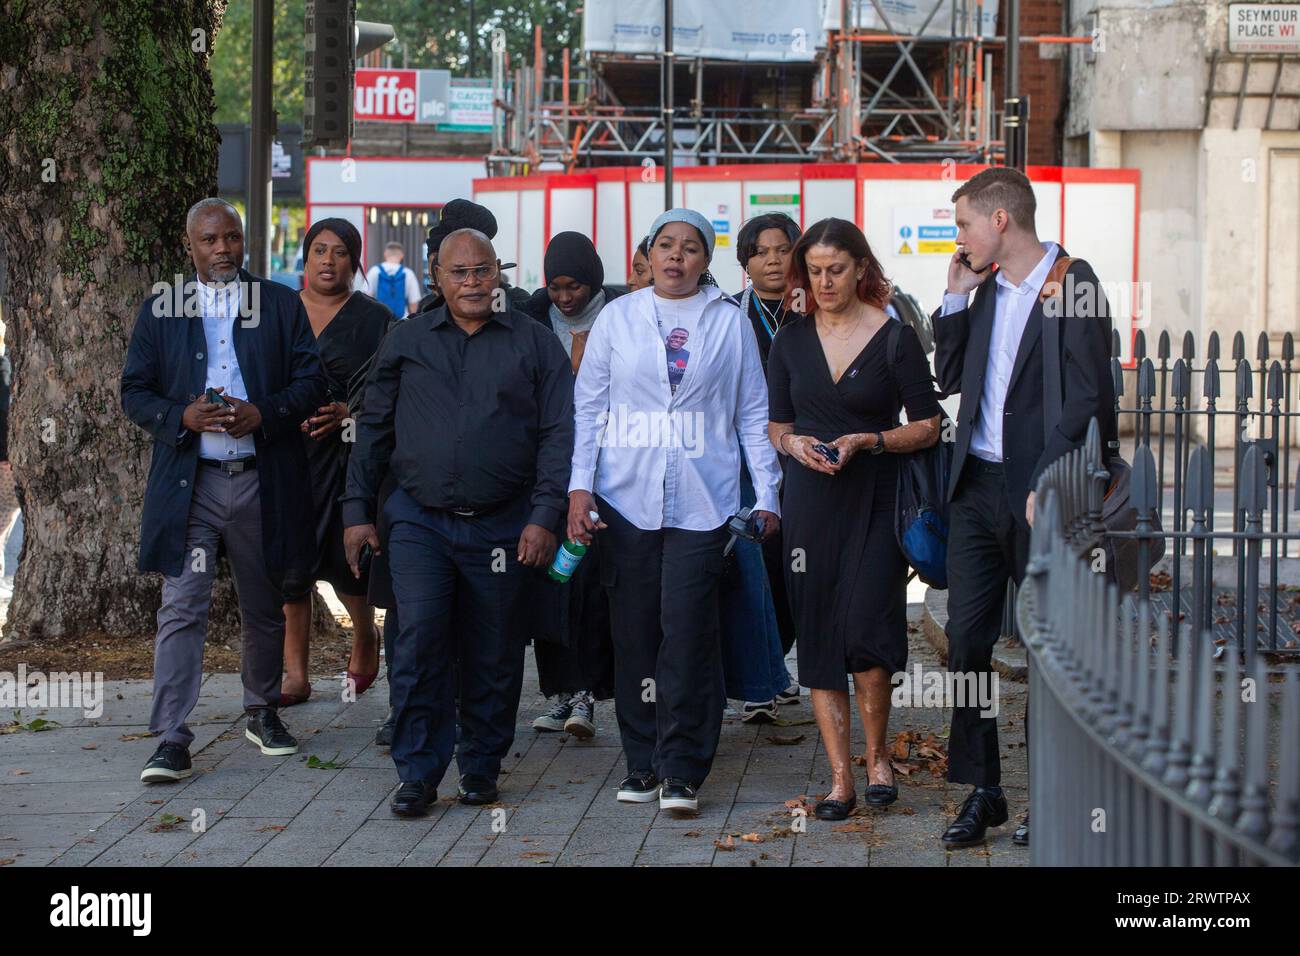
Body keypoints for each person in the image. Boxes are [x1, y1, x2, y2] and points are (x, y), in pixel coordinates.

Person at [342, 228, 574, 818]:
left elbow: (557, 437)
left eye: (481, 271)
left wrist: (546, 516)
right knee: (418, 640)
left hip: (505, 523)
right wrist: (356, 512)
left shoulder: (536, 343)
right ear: (438, 277)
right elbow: (372, 430)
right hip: (419, 523)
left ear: (498, 272)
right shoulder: (407, 339)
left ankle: (480, 765)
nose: (471, 283)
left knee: (494, 649)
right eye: (458, 272)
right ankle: (417, 772)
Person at [567, 208, 782, 813]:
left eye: (691, 248)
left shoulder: (728, 323)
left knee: (688, 631)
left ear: (706, 261)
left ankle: (683, 767)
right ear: (648, 252)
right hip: (625, 496)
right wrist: (579, 488)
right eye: (666, 245)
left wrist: (767, 493)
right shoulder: (618, 318)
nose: (677, 256)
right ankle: (642, 761)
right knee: (635, 632)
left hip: (703, 500)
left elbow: (751, 413)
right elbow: (590, 409)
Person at [933, 166, 1116, 848]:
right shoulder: (979, 289)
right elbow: (950, 378)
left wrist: (1050, 478)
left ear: (999, 219)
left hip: (1044, 494)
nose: (959, 238)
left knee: (1048, 648)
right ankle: (986, 791)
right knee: (968, 645)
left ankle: (1053, 792)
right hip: (976, 489)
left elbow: (1089, 395)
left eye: (963, 224)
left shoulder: (1073, 281)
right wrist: (953, 302)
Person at [121, 198, 327, 783]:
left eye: (232, 238)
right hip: (194, 486)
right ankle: (170, 737)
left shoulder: (280, 303)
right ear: (190, 246)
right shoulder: (163, 308)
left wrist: (265, 413)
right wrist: (179, 417)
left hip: (260, 482)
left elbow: (314, 382)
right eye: (210, 240)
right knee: (182, 605)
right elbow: (134, 390)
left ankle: (261, 710)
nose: (222, 250)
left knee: (264, 604)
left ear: (244, 241)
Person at [767, 217, 942, 820]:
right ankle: (840, 777)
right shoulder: (790, 341)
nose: (824, 281)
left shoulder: (895, 339)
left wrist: (870, 439)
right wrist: (792, 448)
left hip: (875, 498)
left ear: (861, 267)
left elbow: (928, 425)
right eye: (813, 272)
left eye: (835, 269)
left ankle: (877, 758)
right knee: (817, 636)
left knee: (870, 633)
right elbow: (777, 423)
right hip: (810, 505)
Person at [278, 218, 393, 707]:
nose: (328, 260)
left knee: (349, 565)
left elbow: (391, 391)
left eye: (340, 251)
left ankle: (365, 635)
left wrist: (351, 413)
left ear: (355, 260)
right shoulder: (280, 311)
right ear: (305, 257)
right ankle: (294, 674)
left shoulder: (376, 319)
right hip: (287, 456)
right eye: (319, 250)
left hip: (348, 459)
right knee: (290, 564)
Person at [521, 232, 622, 737]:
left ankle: (591, 691)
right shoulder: (534, 318)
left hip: (610, 473)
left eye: (575, 286)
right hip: (550, 472)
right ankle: (562, 692)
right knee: (554, 579)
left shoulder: (624, 311)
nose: (565, 297)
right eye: (556, 287)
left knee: (590, 584)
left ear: (594, 279)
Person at [725, 212, 805, 721]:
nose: (773, 260)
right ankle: (761, 678)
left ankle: (777, 665)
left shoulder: (820, 311)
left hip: (811, 456)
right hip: (748, 463)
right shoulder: (730, 315)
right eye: (761, 252)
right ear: (746, 264)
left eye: (782, 249)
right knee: (756, 568)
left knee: (799, 569)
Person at [365, 242, 421, 319]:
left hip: (378, 319)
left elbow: (367, 297)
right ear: (402, 255)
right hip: (401, 321)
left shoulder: (374, 271)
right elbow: (413, 304)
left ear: (385, 254)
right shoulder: (408, 273)